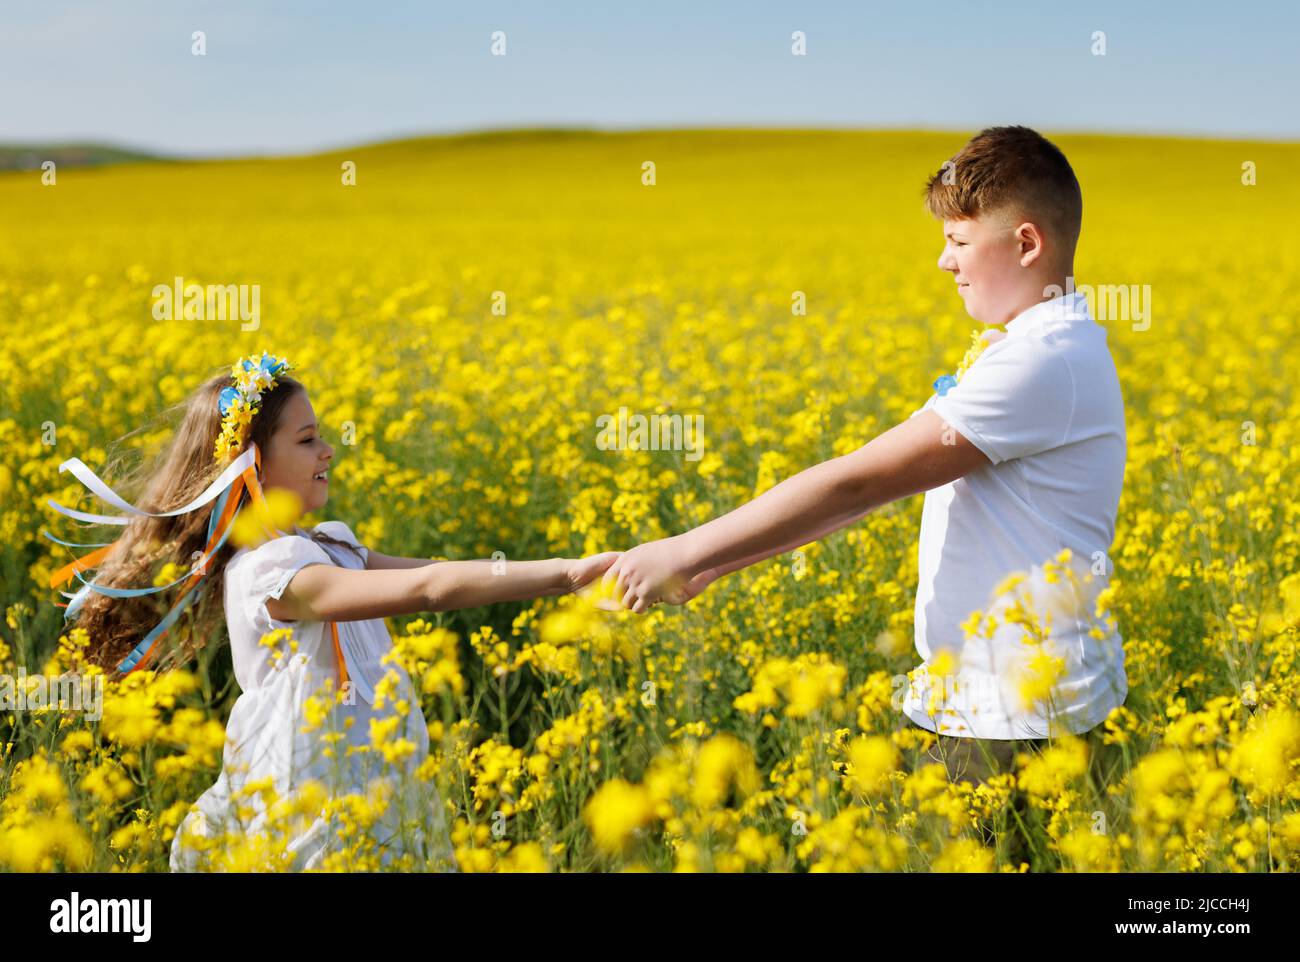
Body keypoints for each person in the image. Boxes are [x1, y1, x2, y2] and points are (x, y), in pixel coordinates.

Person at [604, 126, 1128, 784]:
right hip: (999, 708)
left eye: (959, 242)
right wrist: (717, 563)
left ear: (1026, 244)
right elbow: (870, 492)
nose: (946, 263)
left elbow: (858, 485)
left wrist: (682, 552)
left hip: (1013, 722)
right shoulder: (1037, 346)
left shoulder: (1042, 360)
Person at [49, 351, 617, 871]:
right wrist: (567, 573)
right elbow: (428, 589)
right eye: (306, 440)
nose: (328, 451)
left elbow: (449, 576)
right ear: (252, 462)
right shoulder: (271, 576)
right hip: (308, 803)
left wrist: (568, 577)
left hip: (378, 789)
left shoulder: (335, 548)